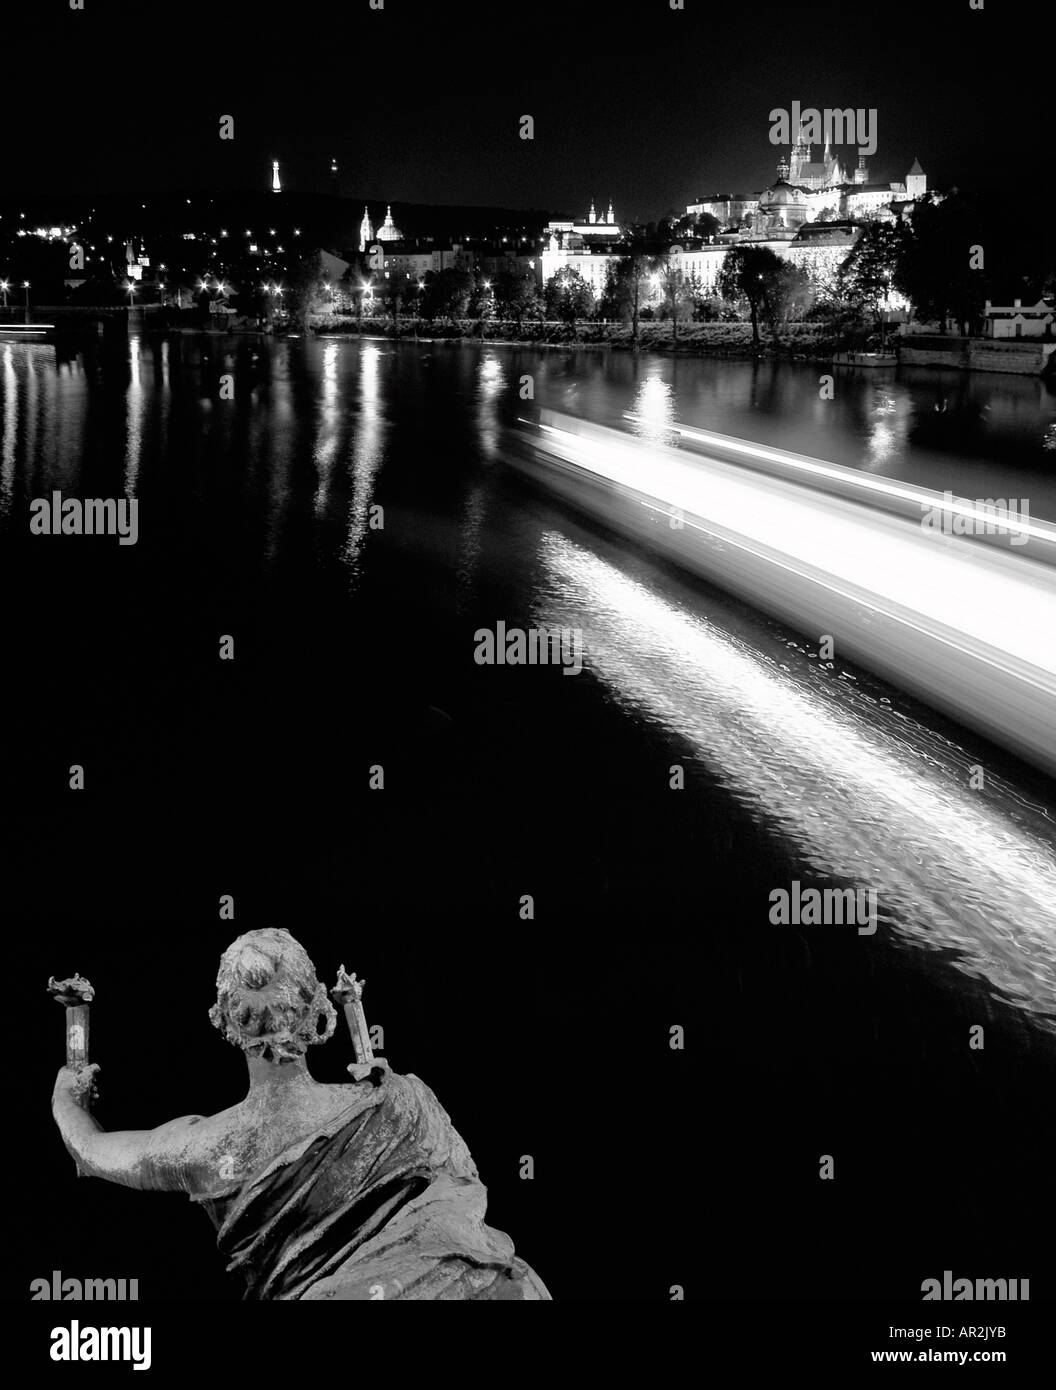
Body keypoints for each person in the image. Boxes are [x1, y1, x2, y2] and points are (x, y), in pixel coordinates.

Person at [51, 928, 550, 1301]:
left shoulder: (201, 1149)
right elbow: (460, 1193)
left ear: (224, 1021)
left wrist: (67, 1099)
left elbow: (90, 1151)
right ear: (317, 1013)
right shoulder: (399, 1103)